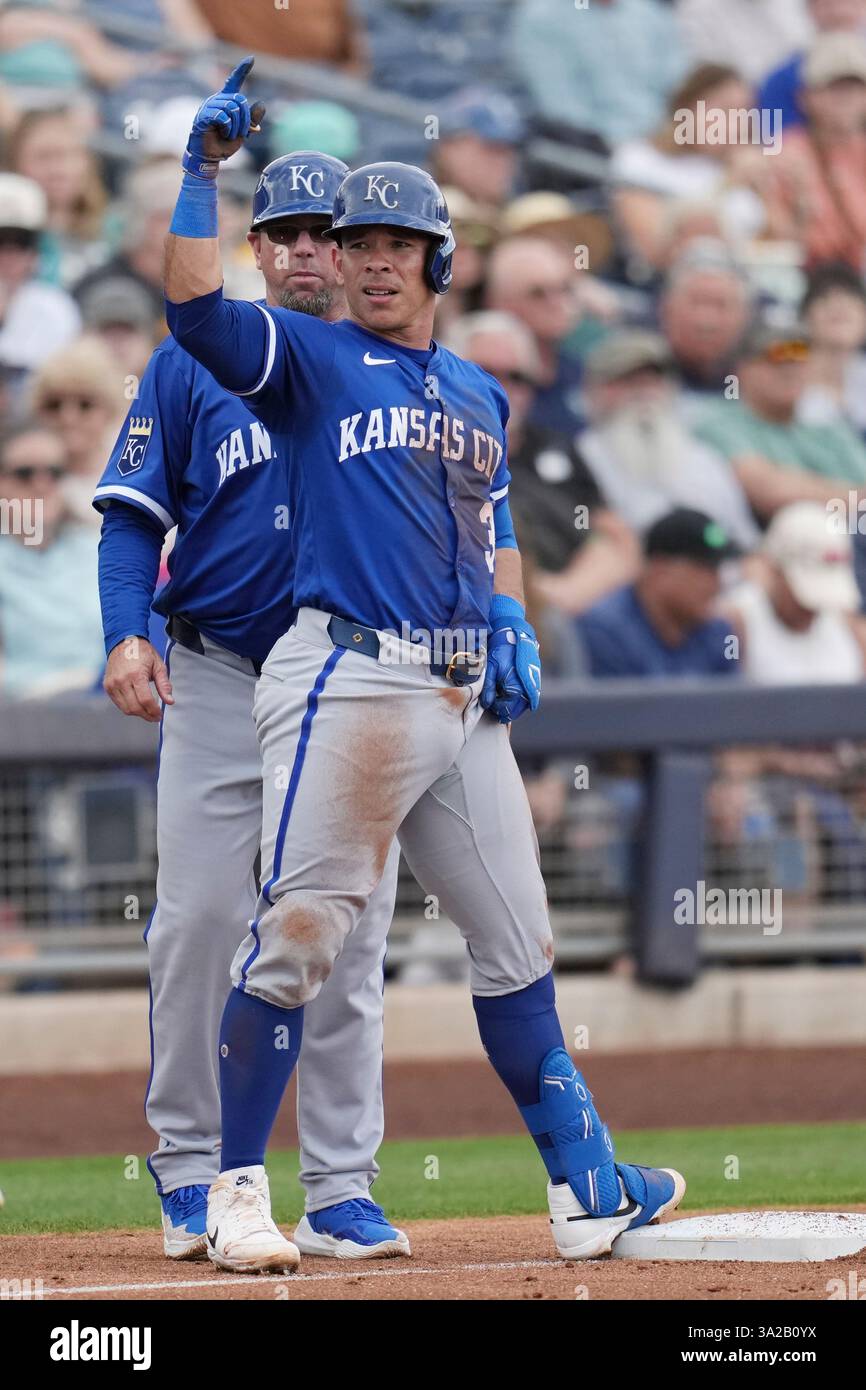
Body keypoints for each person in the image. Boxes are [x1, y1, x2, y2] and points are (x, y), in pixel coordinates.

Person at [162, 58, 686, 1274]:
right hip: (348, 674)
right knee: (297, 935)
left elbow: (491, 522)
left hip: (461, 697)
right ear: (334, 266)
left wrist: (513, 621)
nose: (377, 260)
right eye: (360, 244)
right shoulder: (303, 356)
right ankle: (237, 1191)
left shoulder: (476, 390)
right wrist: (200, 177)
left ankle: (583, 1184)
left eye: (401, 243)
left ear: (440, 261)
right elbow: (194, 313)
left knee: (517, 946)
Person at [95, 152, 407, 1263]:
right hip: (223, 669)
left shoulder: (391, 358)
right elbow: (132, 515)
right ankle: (187, 1168)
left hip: (347, 675)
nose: (306, 248)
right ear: (257, 246)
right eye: (283, 231)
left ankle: (337, 1185)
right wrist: (125, 629)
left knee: (346, 934)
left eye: (326, 230)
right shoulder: (194, 360)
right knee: (197, 924)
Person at [447, 310, 638, 618]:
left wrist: (567, 592)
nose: (501, 388)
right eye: (485, 372)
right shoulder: (434, 453)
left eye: (517, 378)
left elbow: (615, 537)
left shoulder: (556, 445)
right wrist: (535, 594)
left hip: (578, 600)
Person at [577, 330, 761, 549]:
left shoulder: (702, 455)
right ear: (597, 390)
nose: (643, 393)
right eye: (629, 382)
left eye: (653, 381)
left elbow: (743, 537)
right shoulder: (582, 456)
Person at [693, 319, 866, 519]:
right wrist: (855, 498)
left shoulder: (827, 427)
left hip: (855, 528)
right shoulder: (720, 422)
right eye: (776, 355)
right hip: (772, 541)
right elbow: (769, 491)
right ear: (743, 369)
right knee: (806, 520)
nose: (789, 368)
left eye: (799, 355)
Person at [611, 65, 769, 278]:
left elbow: (774, 248)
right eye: (725, 111)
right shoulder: (641, 159)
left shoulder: (744, 173)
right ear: (687, 108)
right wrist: (727, 184)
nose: (736, 124)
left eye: (744, 113)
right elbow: (654, 249)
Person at [0, 421, 104, 698]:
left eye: (54, 473)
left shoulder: (97, 549)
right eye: (25, 474)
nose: (41, 484)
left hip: (106, 710)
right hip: (20, 722)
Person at [578, 509, 740, 679]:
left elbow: (734, 702)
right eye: (703, 570)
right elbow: (615, 704)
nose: (716, 584)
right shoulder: (605, 631)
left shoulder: (718, 632)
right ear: (659, 570)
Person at [508, 0, 687, 148]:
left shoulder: (649, 14)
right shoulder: (543, 17)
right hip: (597, 150)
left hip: (665, 143)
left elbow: (681, 86)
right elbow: (563, 111)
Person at [760, 33, 866, 270]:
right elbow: (780, 240)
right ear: (806, 97)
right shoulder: (785, 154)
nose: (846, 98)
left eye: (855, 87)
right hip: (813, 275)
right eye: (834, 88)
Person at [484, 236, 586, 439]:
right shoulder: (484, 374)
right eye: (538, 293)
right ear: (500, 302)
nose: (557, 303)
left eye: (564, 289)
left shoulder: (580, 372)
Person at [31, 335, 127, 527]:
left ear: (110, 409)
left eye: (85, 404)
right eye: (54, 404)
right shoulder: (25, 473)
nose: (68, 418)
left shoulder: (133, 468)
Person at [0, 174, 81, 398]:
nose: (8, 255)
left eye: (19, 244)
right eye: (0, 242)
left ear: (34, 251)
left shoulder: (53, 306)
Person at [659, 241, 755, 400]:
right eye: (696, 302)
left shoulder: (759, 371)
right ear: (667, 308)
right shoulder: (641, 370)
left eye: (720, 305)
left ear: (745, 315)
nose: (706, 321)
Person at [757, 0, 866, 131]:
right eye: (828, 4)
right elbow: (776, 141)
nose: (839, 12)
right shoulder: (781, 80)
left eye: (849, 2)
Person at [798, 261, 866, 437]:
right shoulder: (782, 374)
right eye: (824, 298)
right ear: (805, 317)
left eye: (850, 299)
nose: (838, 305)